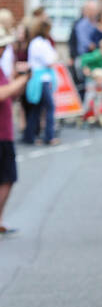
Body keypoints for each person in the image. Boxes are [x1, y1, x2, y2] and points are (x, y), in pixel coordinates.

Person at [0, 46, 29, 235]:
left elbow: (11, 94)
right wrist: (23, 78)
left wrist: (21, 80)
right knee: (7, 177)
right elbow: (2, 93)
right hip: (1, 134)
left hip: (4, 131)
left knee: (7, 178)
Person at [23, 18, 59, 146]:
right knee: (49, 107)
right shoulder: (39, 43)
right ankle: (49, 136)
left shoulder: (42, 42)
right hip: (41, 80)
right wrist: (54, 58)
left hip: (43, 78)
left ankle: (30, 135)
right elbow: (49, 61)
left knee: (37, 108)